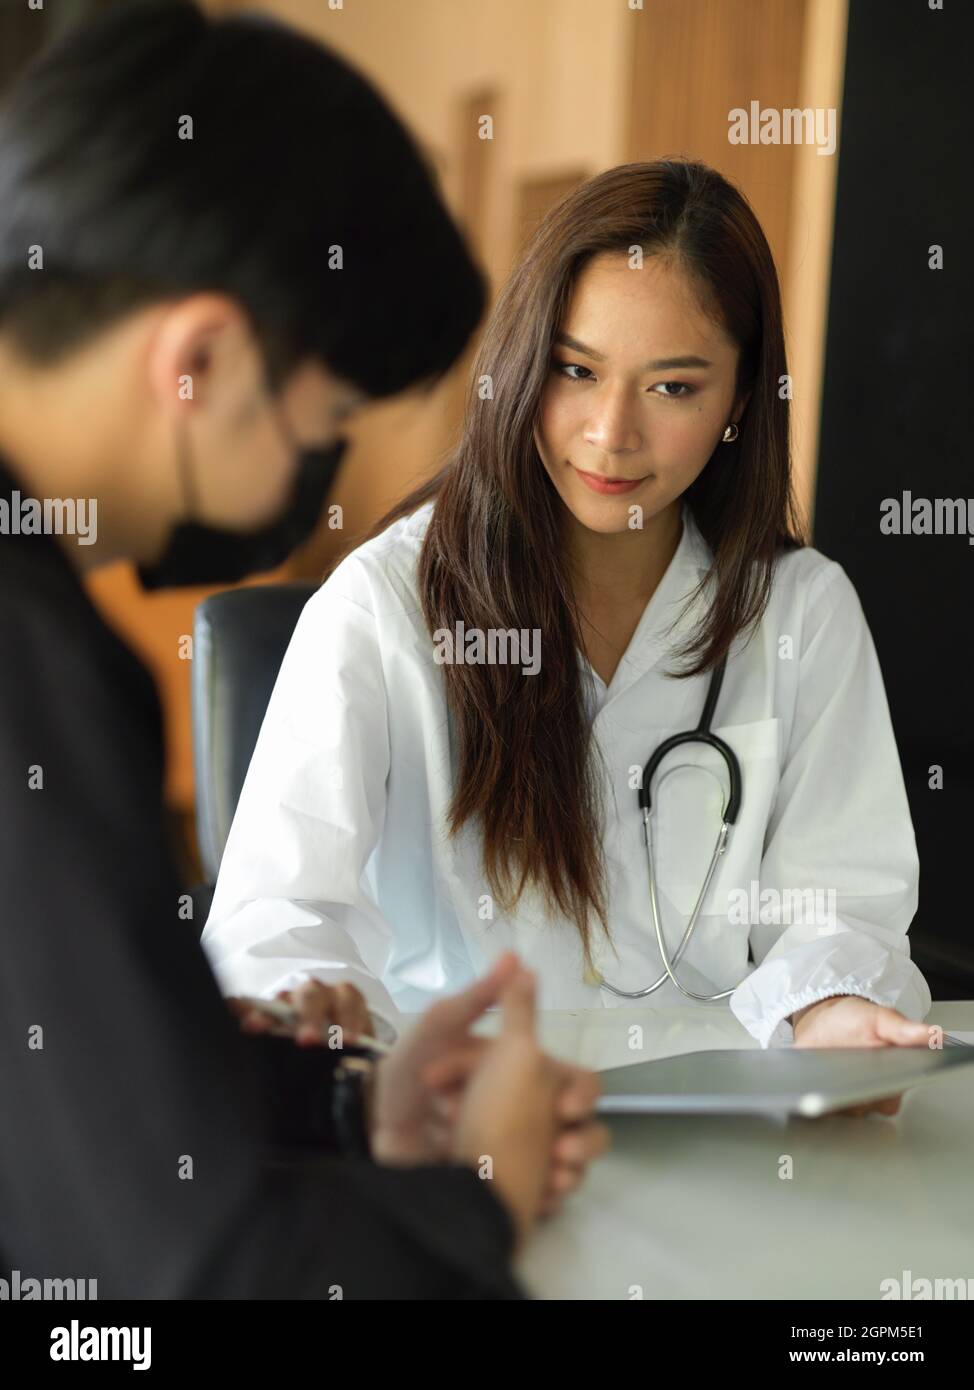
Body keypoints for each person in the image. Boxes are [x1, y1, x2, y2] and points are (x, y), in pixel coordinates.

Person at [0, 0, 605, 1301]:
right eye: (323, 419)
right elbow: (201, 1268)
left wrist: (333, 1105)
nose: (315, 477)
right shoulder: (30, 664)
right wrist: (479, 1197)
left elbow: (73, 1087)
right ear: (200, 359)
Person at [203, 158, 933, 1117]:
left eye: (673, 388)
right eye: (575, 371)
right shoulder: (383, 605)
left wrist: (832, 1006)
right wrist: (311, 999)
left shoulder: (801, 612)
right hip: (462, 1118)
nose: (609, 434)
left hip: (728, 1125)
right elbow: (279, 914)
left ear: (743, 402)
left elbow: (841, 905)